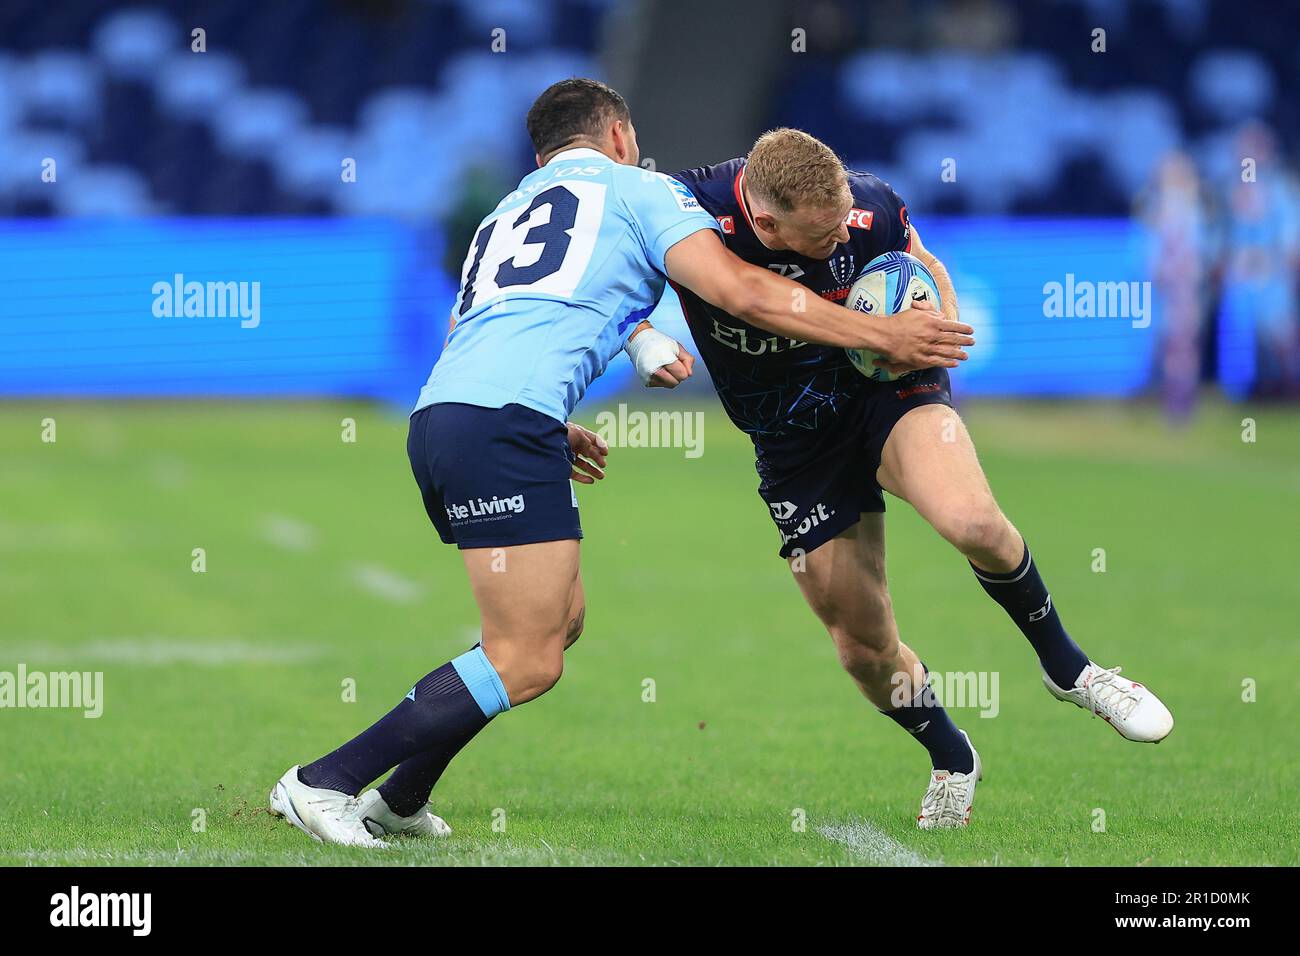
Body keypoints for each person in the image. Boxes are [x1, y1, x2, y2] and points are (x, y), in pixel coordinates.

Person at [268, 82, 973, 846]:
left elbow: (472, 324)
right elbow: (740, 289)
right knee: (527, 656)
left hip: (452, 414)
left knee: (557, 623)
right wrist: (882, 337)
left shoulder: (503, 214)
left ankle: (400, 799)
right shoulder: (640, 190)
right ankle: (324, 781)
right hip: (501, 423)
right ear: (618, 132)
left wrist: (549, 419)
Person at [648, 129, 1173, 828]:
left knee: (973, 522)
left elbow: (922, 262)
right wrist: (636, 332)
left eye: (844, 223)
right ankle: (953, 757)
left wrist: (939, 322)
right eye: (822, 233)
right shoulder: (688, 210)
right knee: (863, 647)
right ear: (767, 223)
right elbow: (708, 290)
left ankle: (1073, 670)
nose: (841, 241)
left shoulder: (867, 207)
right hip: (793, 442)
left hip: (887, 386)